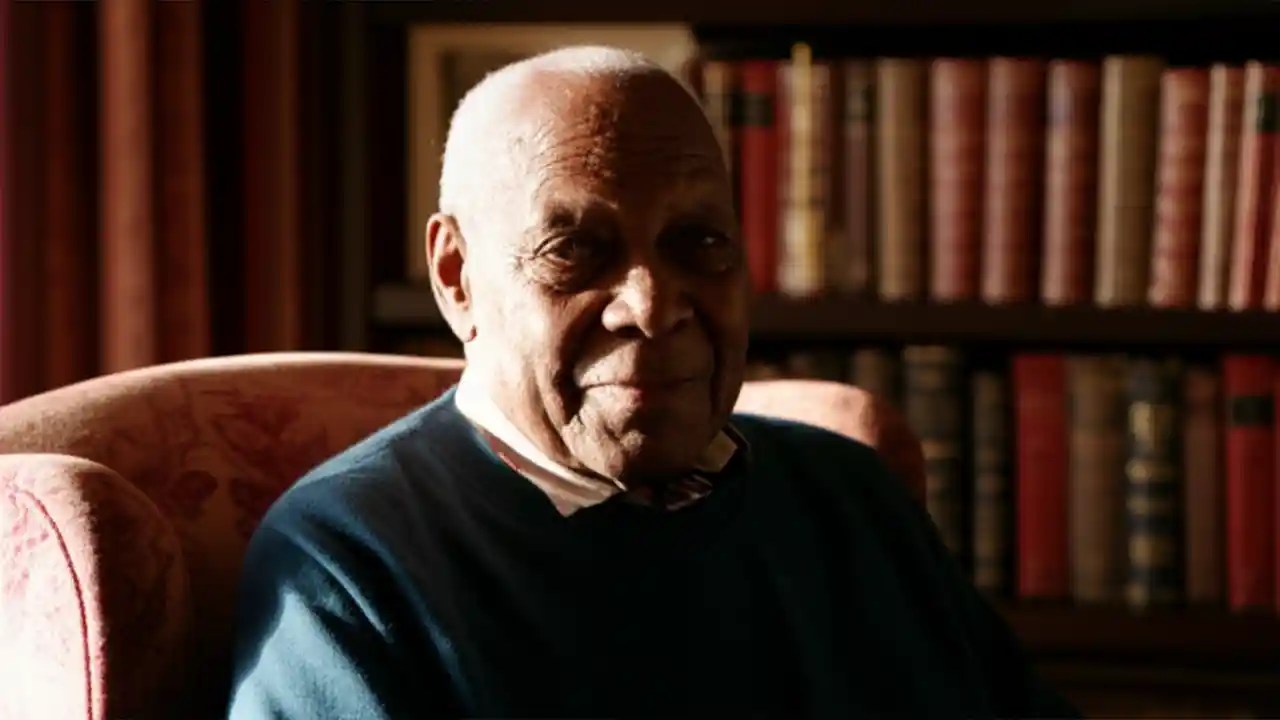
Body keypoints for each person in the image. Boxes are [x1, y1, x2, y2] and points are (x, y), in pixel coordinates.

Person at [227, 45, 1077, 719]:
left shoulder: (850, 497)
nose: (654, 305)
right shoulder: (349, 563)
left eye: (698, 242)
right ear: (457, 277)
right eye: (576, 250)